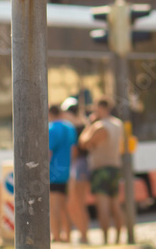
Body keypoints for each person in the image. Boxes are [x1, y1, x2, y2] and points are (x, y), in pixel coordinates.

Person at [79, 98, 124, 245]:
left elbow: (84, 142)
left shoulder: (99, 126)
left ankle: (105, 241)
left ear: (101, 108)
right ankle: (118, 239)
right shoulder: (118, 124)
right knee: (115, 205)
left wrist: (89, 125)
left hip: (101, 169)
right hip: (115, 167)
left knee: (103, 207)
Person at [62, 97, 90, 244]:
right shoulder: (83, 122)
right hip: (82, 164)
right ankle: (83, 234)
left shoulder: (74, 124)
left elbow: (75, 150)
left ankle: (84, 235)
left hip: (78, 165)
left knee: (75, 202)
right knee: (78, 202)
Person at [48, 104, 77, 243]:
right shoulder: (70, 127)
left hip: (52, 172)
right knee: (64, 206)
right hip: (66, 171)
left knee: (54, 207)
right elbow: (74, 150)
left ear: (49, 114)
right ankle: (68, 236)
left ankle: (57, 236)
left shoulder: (52, 128)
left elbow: (48, 151)